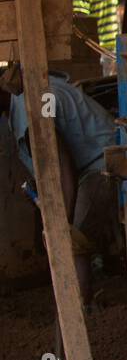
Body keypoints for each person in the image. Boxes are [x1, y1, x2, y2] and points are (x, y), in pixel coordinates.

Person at [0, 62, 119, 305]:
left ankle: (79, 311)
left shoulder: (29, 110)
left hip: (105, 163)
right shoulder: (27, 96)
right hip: (95, 161)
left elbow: (63, 168)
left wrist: (59, 224)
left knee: (71, 240)